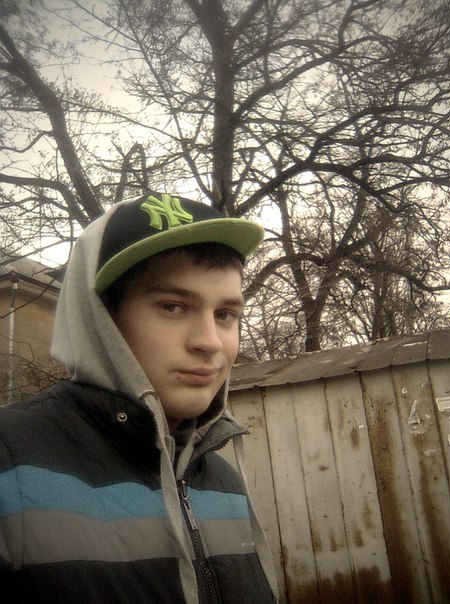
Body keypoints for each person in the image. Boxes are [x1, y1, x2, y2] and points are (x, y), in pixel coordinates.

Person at [0, 191, 278, 603]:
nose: (210, 342)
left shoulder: (223, 482)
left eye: (225, 315)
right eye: (172, 306)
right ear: (102, 322)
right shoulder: (9, 462)